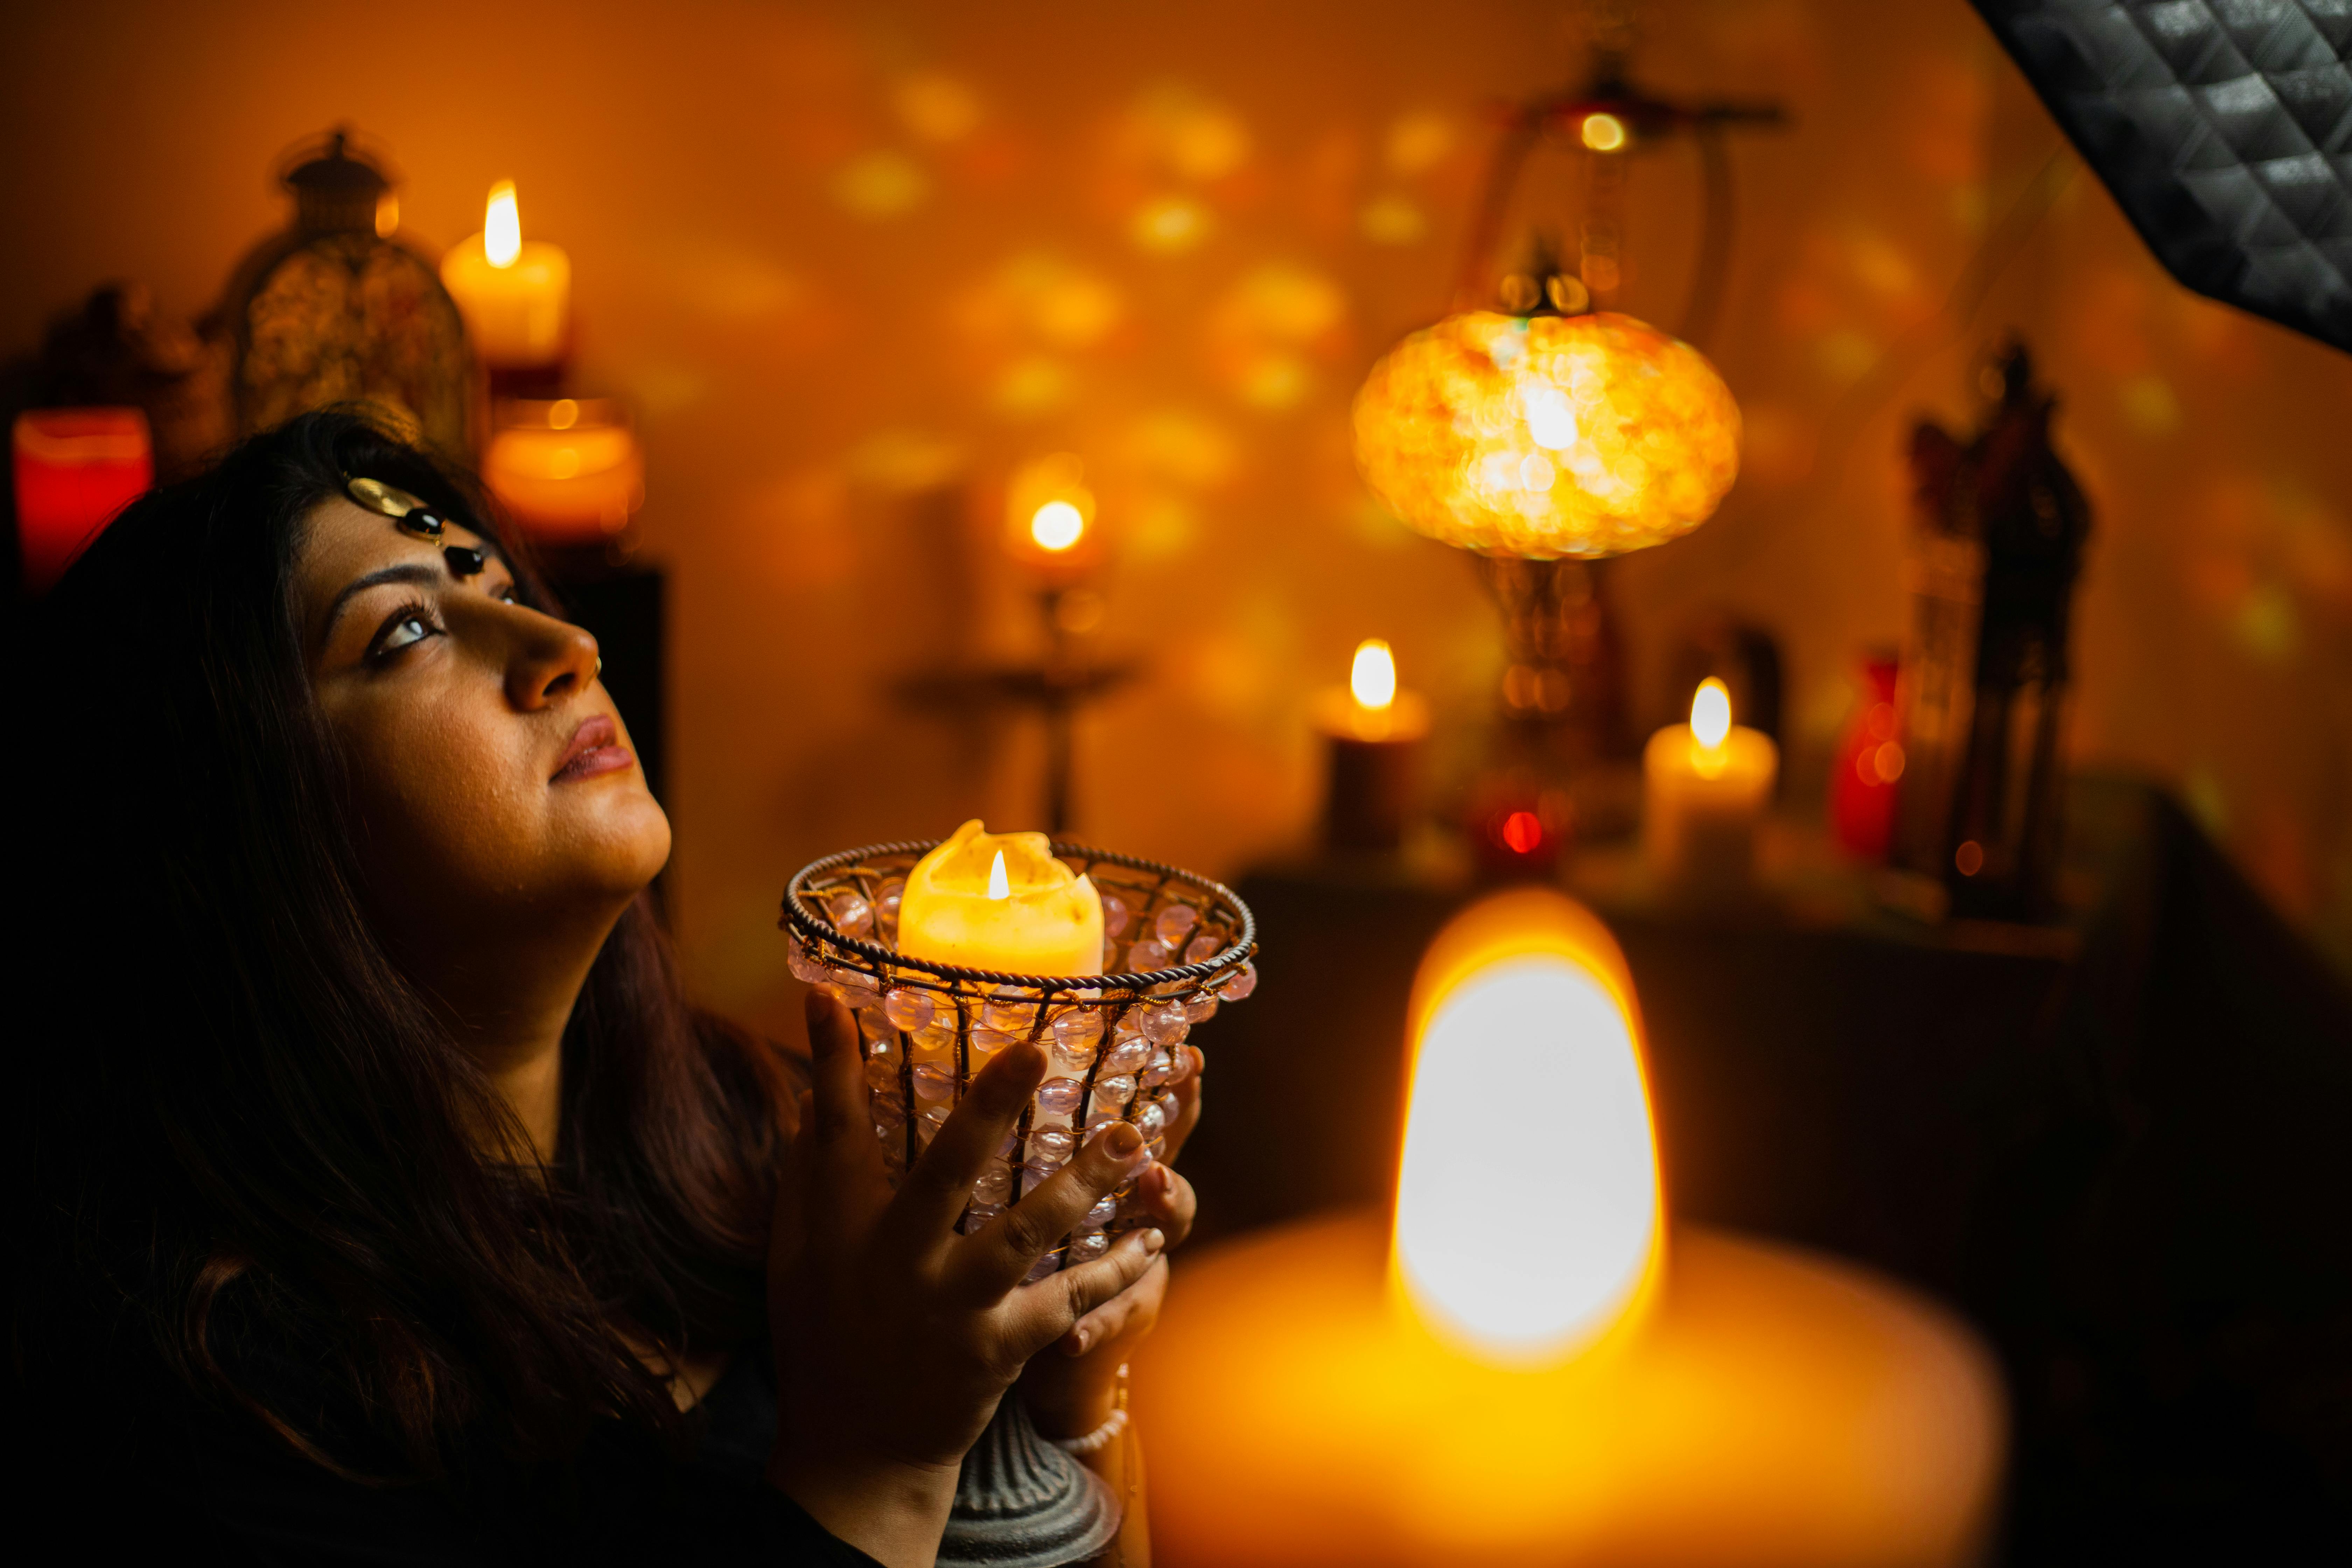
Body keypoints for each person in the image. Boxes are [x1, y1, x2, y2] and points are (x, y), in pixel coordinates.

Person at [7, 407, 1203, 1566]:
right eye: (405, 635)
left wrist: (1060, 1390)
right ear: (236, 829)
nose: (566, 651)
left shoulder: (767, 1132)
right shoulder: (220, 1394)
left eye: (503, 589)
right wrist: (874, 1462)